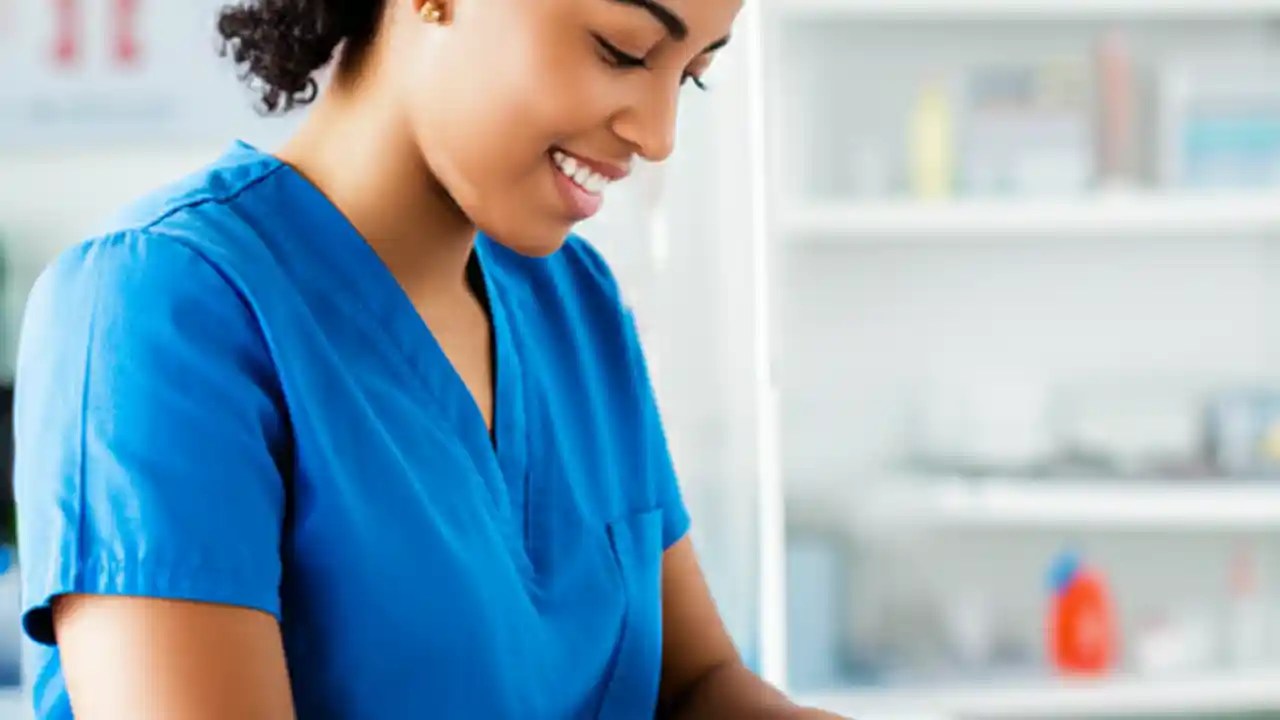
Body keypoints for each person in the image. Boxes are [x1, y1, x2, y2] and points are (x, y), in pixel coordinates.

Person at [13, 0, 845, 718]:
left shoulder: (574, 303)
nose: (659, 135)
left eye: (691, 74)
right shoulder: (157, 307)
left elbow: (694, 690)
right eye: (620, 48)